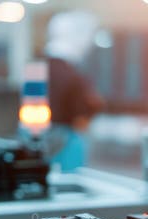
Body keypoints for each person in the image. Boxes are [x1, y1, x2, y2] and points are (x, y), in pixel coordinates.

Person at [45, 11, 103, 172]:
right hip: (65, 141)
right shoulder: (73, 76)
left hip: (38, 140)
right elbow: (82, 119)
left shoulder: (37, 68)